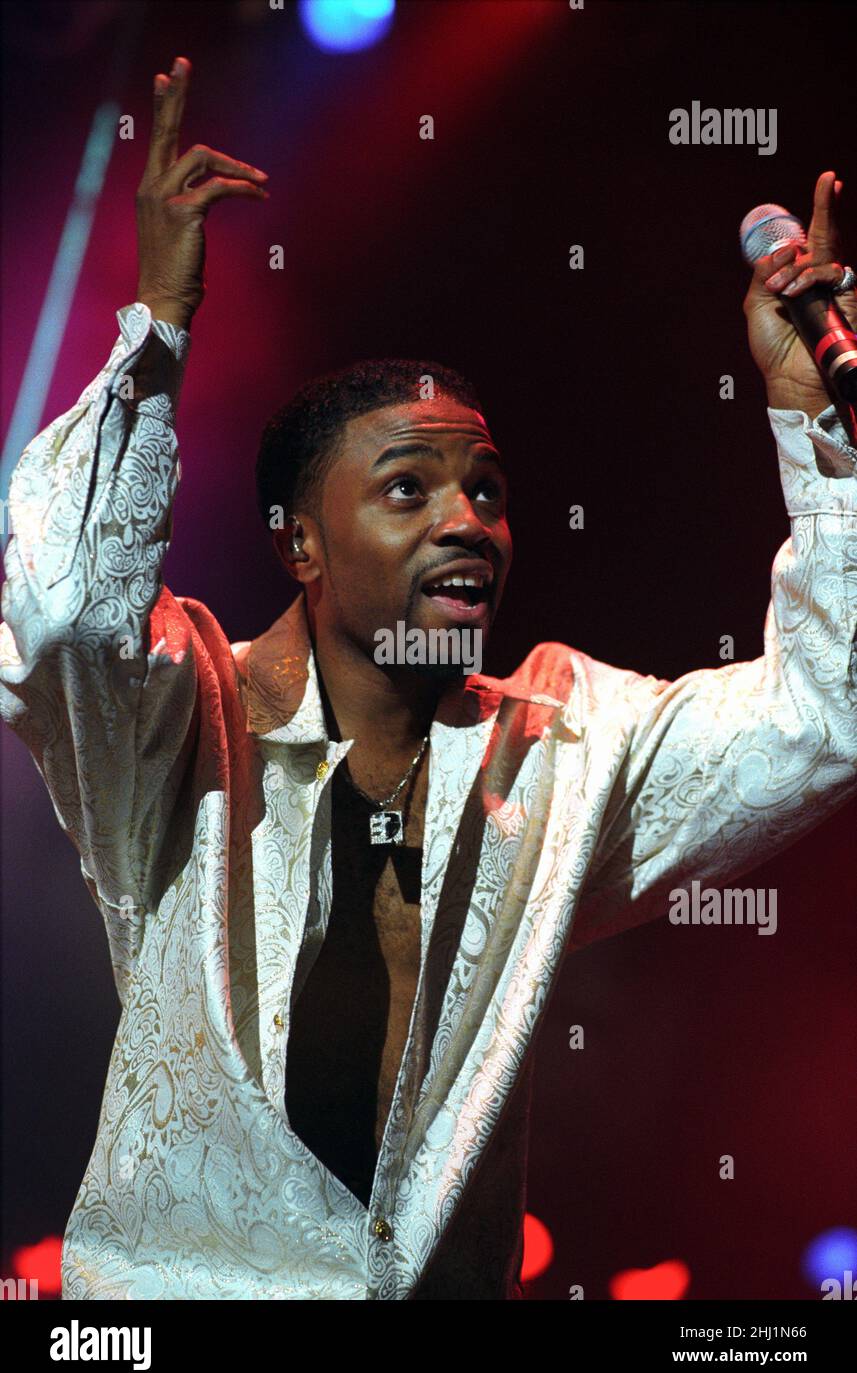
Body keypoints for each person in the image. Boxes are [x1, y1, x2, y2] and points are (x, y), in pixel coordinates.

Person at [1, 55, 855, 1302]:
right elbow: (61, 612)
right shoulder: (179, 718)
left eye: (488, 491)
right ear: (297, 540)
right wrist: (159, 331)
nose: (468, 521)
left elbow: (824, 711)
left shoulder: (565, 750)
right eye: (408, 489)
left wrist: (803, 416)